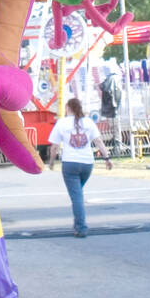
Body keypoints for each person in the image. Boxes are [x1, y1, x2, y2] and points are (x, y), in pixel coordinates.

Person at [47, 97, 113, 237]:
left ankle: (81, 227)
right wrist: (107, 158)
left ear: (68, 108)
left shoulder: (62, 123)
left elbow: (54, 146)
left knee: (76, 196)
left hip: (70, 163)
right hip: (87, 163)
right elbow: (98, 141)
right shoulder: (88, 122)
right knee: (77, 192)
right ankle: (78, 221)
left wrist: (52, 161)